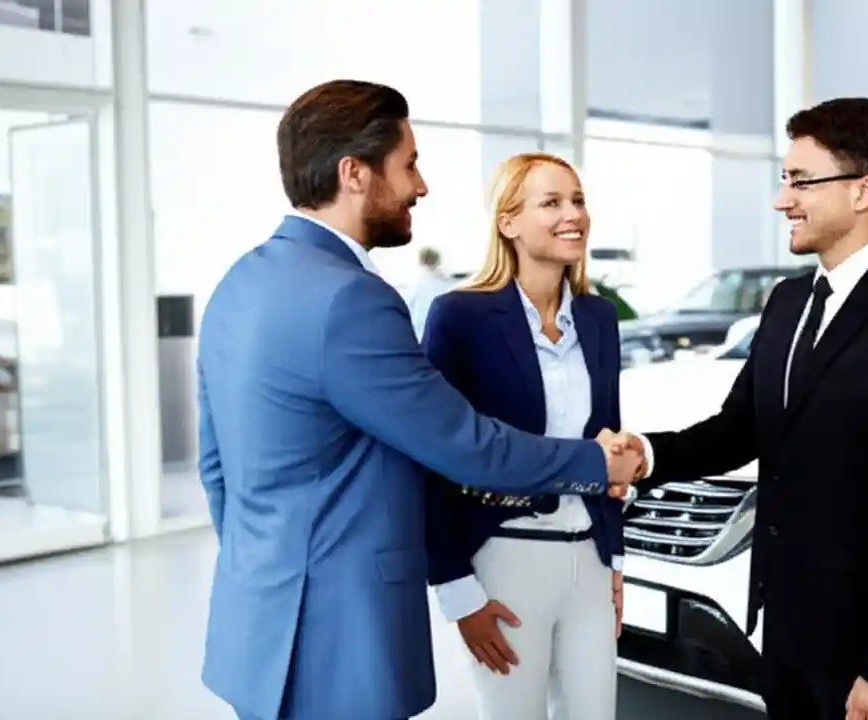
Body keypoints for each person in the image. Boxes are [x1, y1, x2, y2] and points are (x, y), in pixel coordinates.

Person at [196, 80, 641, 720]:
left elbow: (216, 468)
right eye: (408, 165)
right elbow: (463, 445)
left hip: (259, 619)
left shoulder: (240, 282)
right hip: (337, 634)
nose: (420, 187)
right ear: (355, 173)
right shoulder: (353, 299)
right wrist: (599, 465)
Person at [614, 98, 868, 720]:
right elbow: (744, 429)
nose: (781, 200)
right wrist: (645, 454)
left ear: (864, 190)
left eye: (799, 180)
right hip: (782, 624)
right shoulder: (788, 301)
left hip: (863, 647)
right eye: (784, 179)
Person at [422, 152, 624, 720]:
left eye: (578, 200)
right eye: (552, 202)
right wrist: (457, 591)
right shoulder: (458, 316)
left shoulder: (599, 317)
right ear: (507, 221)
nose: (574, 215)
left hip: (589, 559)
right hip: (504, 561)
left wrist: (617, 561)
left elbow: (602, 447)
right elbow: (434, 459)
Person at [405, 246, 455, 339]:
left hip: (420, 330)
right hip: (440, 329)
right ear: (438, 261)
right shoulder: (446, 283)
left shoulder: (414, 282)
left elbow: (406, 304)